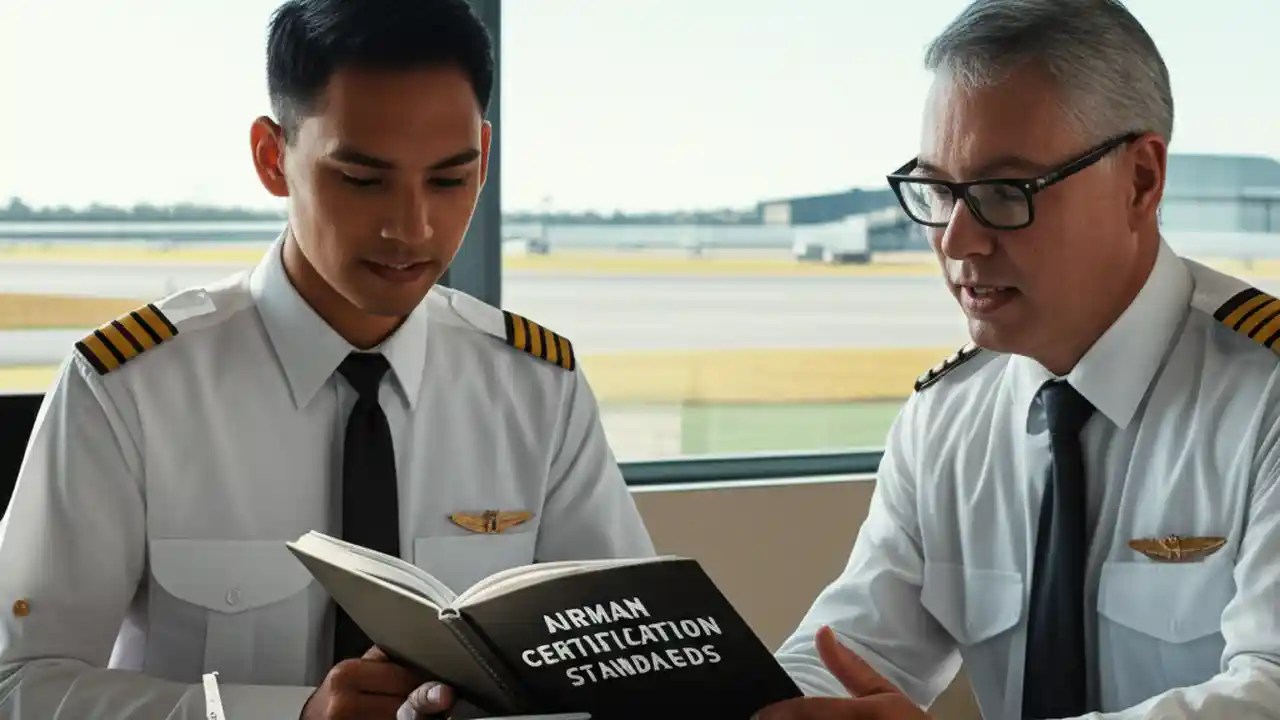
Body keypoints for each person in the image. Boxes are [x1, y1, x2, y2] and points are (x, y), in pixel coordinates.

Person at [0, 1, 654, 718]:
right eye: (363, 180)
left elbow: (629, 665)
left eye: (447, 180)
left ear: (485, 158)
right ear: (272, 158)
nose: (412, 228)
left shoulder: (537, 390)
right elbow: (18, 683)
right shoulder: (130, 389)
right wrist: (292, 715)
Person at [759, 1, 1280, 719]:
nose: (958, 240)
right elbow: (855, 656)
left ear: (1140, 181)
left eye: (1006, 193)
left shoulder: (1265, 398)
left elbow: (1270, 691)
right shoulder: (946, 418)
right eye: (940, 191)